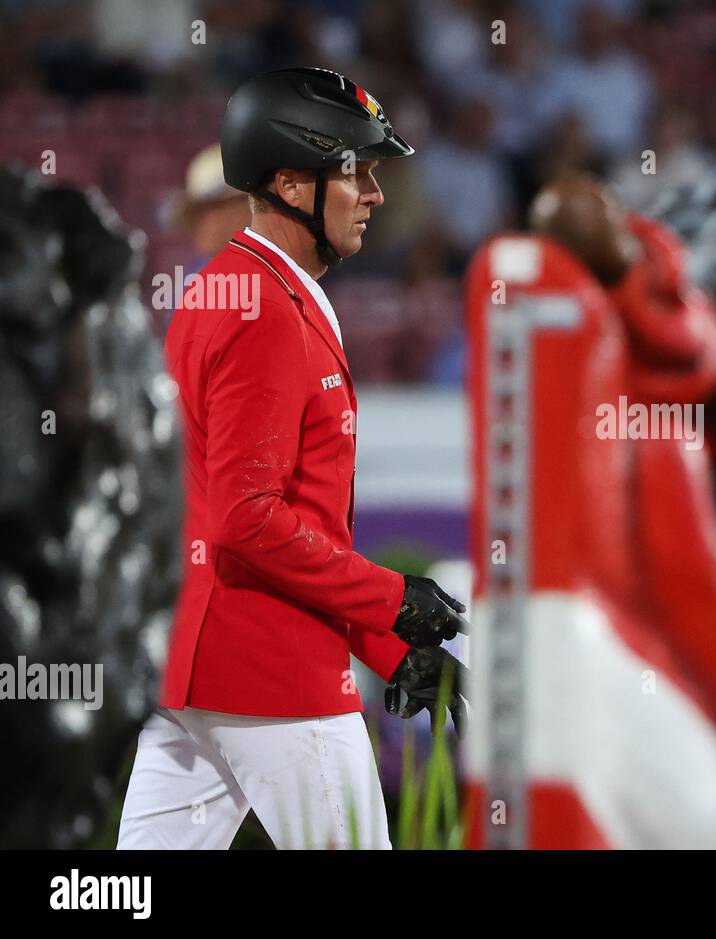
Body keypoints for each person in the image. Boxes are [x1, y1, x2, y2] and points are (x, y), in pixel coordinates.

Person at [117, 67, 467, 850]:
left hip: (200, 671)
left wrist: (390, 647)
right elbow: (248, 520)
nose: (375, 194)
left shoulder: (236, 288)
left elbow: (261, 524)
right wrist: (392, 598)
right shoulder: (264, 310)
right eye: (357, 172)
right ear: (289, 182)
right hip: (275, 677)